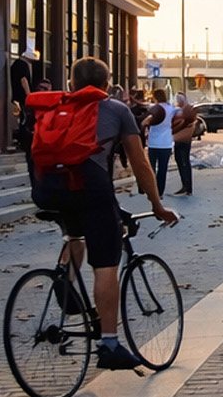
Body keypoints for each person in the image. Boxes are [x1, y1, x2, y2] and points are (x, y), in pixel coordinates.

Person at [30, 57, 178, 370]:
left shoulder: (56, 107)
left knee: (75, 234)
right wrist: (157, 205)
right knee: (106, 261)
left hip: (49, 190)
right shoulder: (115, 109)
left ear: (71, 83)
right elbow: (140, 164)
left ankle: (64, 280)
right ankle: (109, 343)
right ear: (107, 85)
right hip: (91, 189)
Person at [143, 86, 176, 196]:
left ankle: (152, 191)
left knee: (151, 169)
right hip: (166, 143)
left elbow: (145, 122)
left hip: (153, 143)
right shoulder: (172, 109)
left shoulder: (153, 109)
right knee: (162, 169)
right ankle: (160, 192)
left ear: (155, 97)